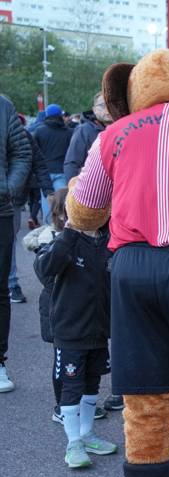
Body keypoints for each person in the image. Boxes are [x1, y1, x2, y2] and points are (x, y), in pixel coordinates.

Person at [34, 190, 117, 468]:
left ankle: (87, 433)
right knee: (72, 386)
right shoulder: (64, 243)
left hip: (98, 330)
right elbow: (46, 268)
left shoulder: (106, 242)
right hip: (70, 333)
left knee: (92, 383)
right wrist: (69, 233)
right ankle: (73, 443)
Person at [0, 94, 33, 393]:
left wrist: (8, 188)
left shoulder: (4, 105)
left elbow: (22, 152)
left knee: (0, 289)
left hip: (0, 209)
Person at [10, 120, 55, 304]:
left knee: (7, 242)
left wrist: (48, 191)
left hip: (12, 199)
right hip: (14, 196)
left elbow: (39, 163)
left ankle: (11, 284)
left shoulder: (23, 135)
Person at [32, 104, 74, 224]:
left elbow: (34, 153)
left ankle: (48, 229)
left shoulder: (39, 131)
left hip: (44, 173)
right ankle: (61, 228)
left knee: (47, 203)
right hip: (62, 171)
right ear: (60, 115)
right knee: (62, 202)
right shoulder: (69, 132)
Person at [63, 93, 112, 181]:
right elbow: (72, 163)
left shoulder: (124, 128)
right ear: (94, 109)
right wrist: (73, 189)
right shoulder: (84, 130)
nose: (107, 109)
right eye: (102, 105)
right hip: (92, 187)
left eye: (110, 104)